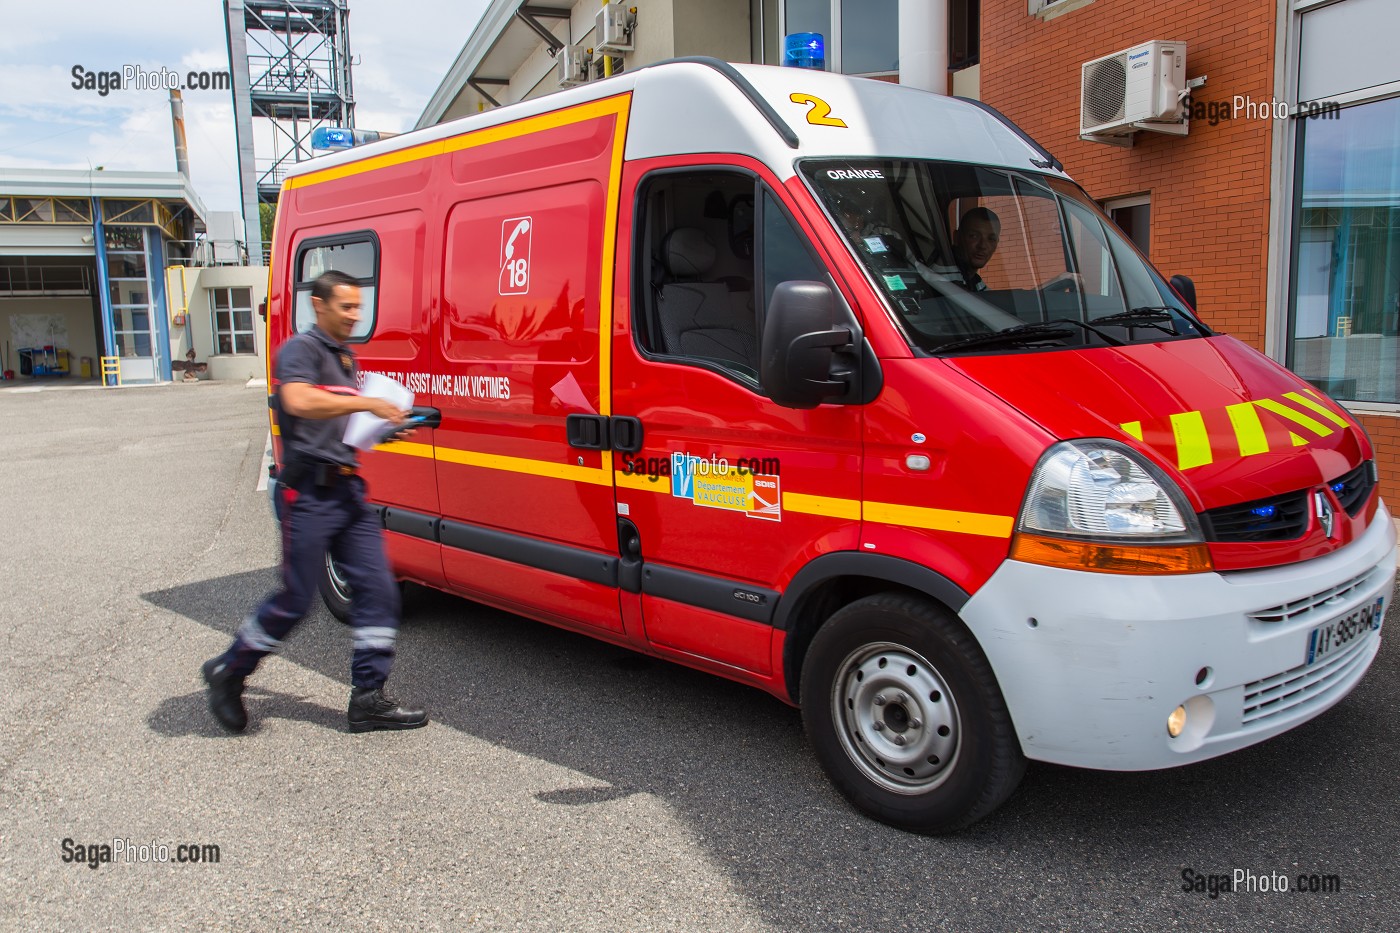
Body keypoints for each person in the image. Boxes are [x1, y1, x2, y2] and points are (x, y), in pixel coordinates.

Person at [202, 269, 429, 734]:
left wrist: (386, 429)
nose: (354, 315)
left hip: (346, 490)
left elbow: (342, 425)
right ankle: (230, 670)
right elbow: (301, 400)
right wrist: (363, 404)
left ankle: (368, 697)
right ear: (319, 305)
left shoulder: (344, 356)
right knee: (295, 600)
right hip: (306, 494)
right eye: (346, 306)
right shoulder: (300, 351)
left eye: (358, 307)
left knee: (380, 590)